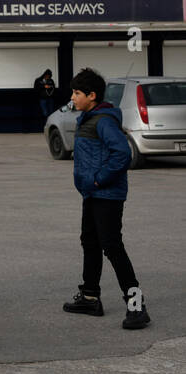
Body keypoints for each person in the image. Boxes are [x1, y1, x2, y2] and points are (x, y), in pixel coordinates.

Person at [63, 67, 149, 328]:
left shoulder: (104, 121)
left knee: (112, 246)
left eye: (77, 93)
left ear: (92, 95)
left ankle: (137, 307)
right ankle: (90, 296)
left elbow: (122, 154)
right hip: (92, 193)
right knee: (90, 241)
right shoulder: (88, 118)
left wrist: (99, 179)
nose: (73, 98)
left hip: (107, 194)